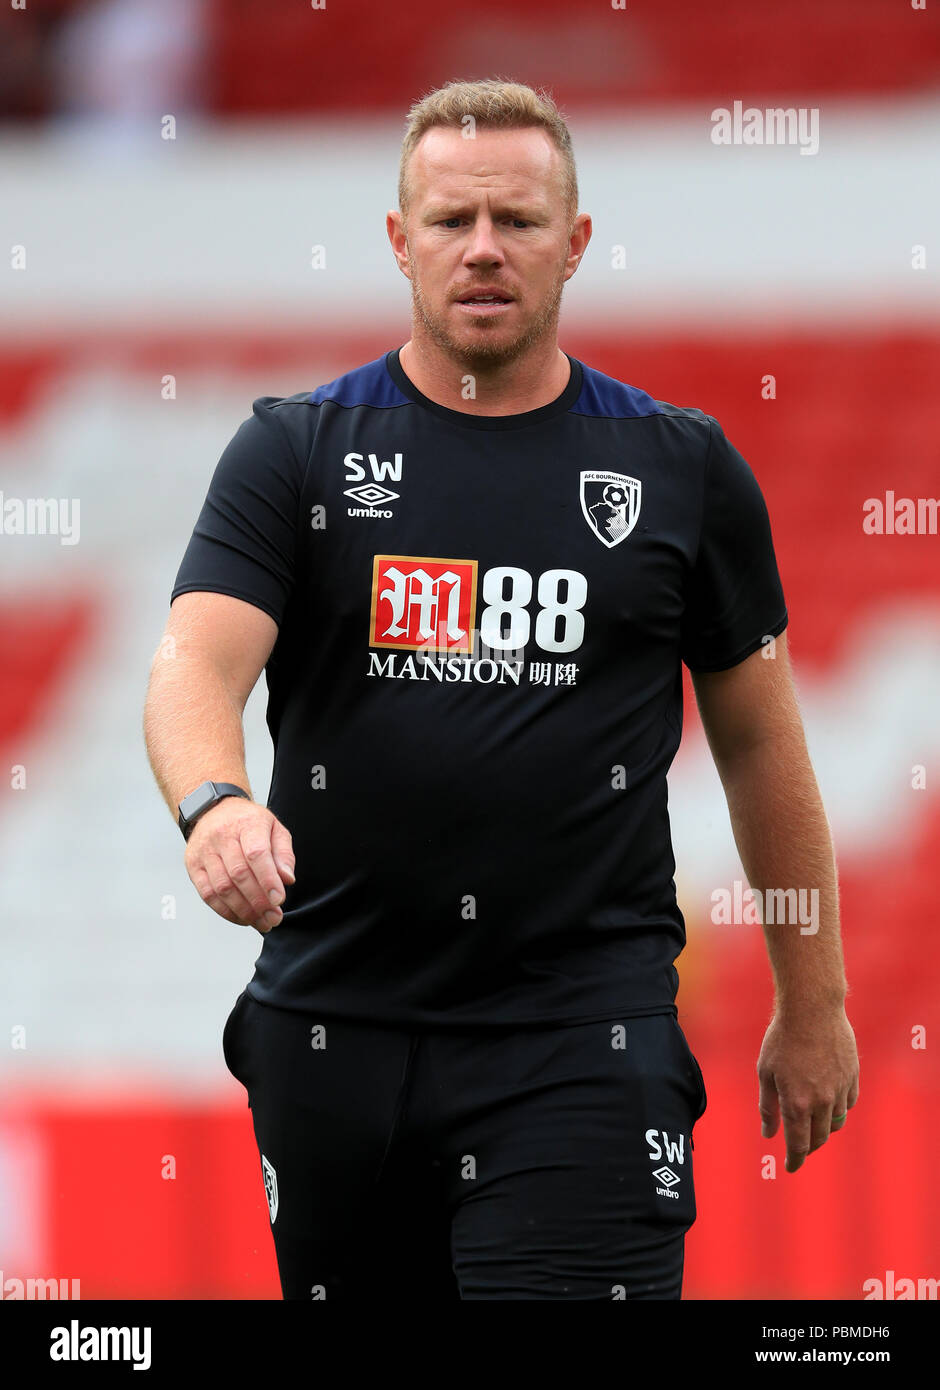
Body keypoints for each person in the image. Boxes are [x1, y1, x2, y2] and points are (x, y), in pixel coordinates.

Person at [143, 78, 859, 1301]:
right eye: (450, 220)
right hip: (335, 1032)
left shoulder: (677, 468)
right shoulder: (297, 449)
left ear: (574, 243)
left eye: (519, 222)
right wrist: (214, 803)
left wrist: (815, 1000)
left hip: (581, 1039)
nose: (483, 248)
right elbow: (193, 662)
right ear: (397, 239)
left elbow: (758, 745)